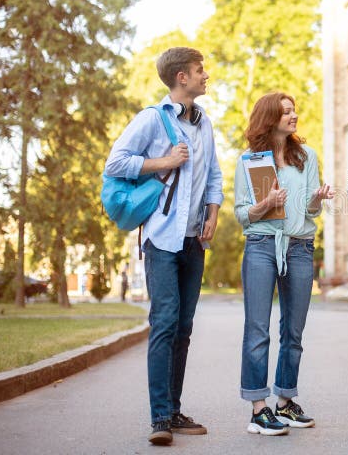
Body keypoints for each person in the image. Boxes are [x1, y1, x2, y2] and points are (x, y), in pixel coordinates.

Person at [104, 47, 223, 445]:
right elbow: (115, 162)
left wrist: (213, 211)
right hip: (161, 238)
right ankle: (159, 417)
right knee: (165, 322)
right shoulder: (151, 119)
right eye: (198, 70)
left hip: (194, 241)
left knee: (184, 328)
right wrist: (163, 162)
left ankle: (173, 410)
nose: (205, 75)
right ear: (181, 78)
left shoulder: (204, 123)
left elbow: (214, 176)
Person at [234, 92, 334, 437]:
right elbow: (242, 215)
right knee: (257, 330)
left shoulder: (307, 157)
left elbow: (308, 211)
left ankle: (285, 401)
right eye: (286, 112)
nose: (293, 116)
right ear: (270, 117)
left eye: (294, 111)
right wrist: (267, 203)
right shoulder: (250, 160)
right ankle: (258, 409)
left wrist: (316, 200)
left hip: (300, 248)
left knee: (294, 330)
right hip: (262, 246)